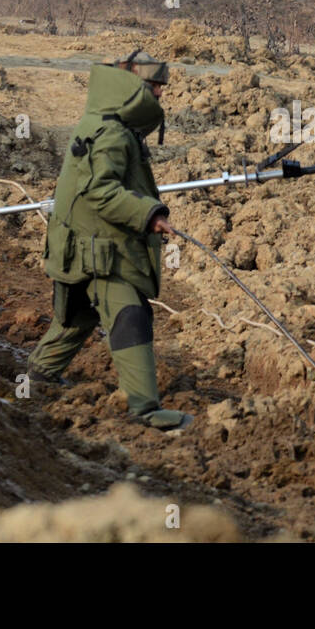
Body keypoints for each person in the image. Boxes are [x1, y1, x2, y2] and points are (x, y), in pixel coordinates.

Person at [28, 51, 192, 431]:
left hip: (81, 243)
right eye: (153, 87)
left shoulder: (103, 118)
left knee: (82, 313)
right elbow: (100, 191)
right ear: (134, 86)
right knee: (130, 315)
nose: (159, 96)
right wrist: (148, 214)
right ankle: (145, 410)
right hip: (99, 249)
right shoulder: (114, 133)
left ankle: (38, 376)